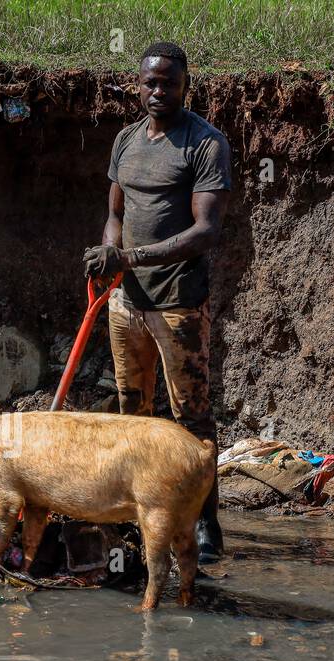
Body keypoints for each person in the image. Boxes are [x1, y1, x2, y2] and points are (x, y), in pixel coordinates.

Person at [83, 40, 231, 561]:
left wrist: (132, 258)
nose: (157, 91)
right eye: (149, 81)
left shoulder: (204, 144)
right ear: (137, 83)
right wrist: (107, 254)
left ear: (186, 85)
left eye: (168, 82)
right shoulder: (125, 141)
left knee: (190, 417)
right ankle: (135, 518)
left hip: (179, 304)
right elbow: (116, 216)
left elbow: (205, 231)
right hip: (126, 303)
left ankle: (207, 522)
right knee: (133, 414)